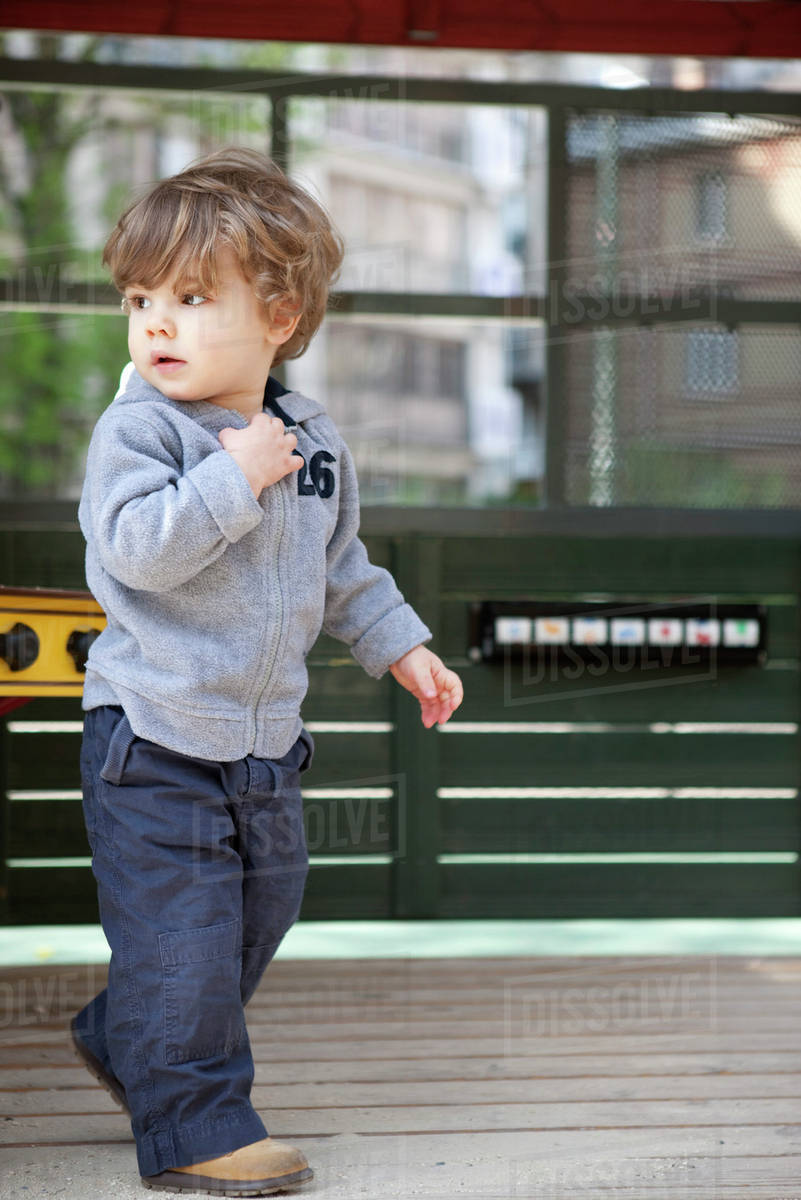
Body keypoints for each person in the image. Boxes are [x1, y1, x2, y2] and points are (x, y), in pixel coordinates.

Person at [70, 147, 463, 1196]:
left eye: (192, 299)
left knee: (256, 917)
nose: (155, 321)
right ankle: (197, 1124)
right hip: (150, 742)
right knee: (186, 933)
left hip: (263, 753)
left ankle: (129, 1035)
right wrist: (230, 481)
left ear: (279, 318)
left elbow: (340, 567)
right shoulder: (139, 432)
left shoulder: (310, 437)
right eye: (140, 297)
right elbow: (138, 550)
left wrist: (402, 644)